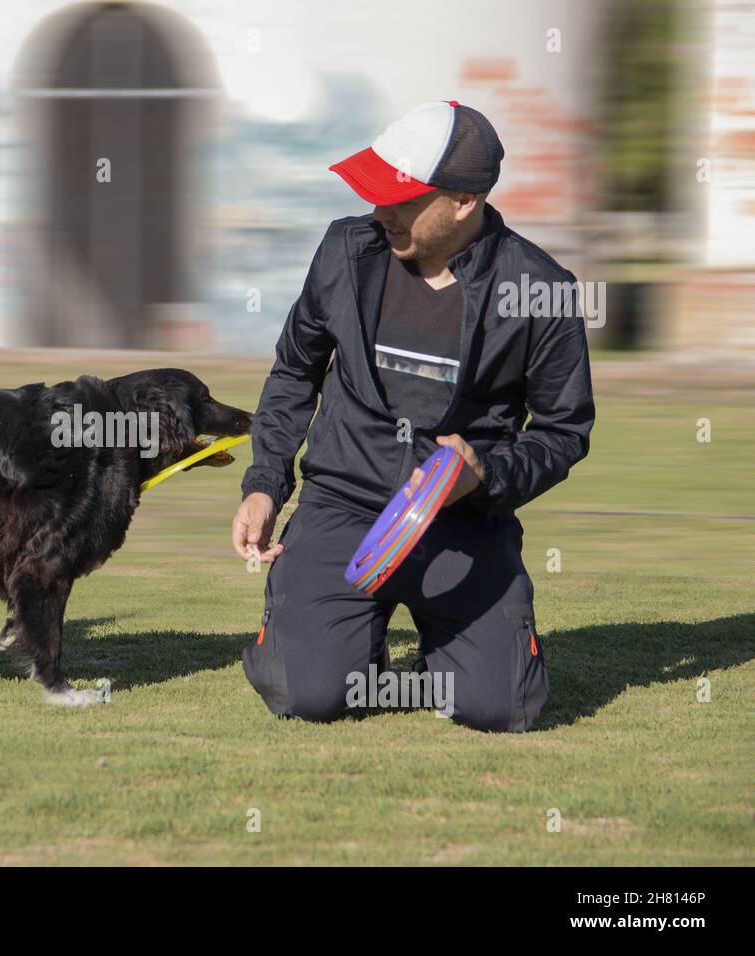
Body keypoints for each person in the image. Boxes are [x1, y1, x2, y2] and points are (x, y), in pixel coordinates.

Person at [232, 101, 594, 732]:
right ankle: (338, 637)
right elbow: (295, 370)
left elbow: (564, 432)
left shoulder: (543, 289)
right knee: (310, 695)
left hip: (463, 521)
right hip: (341, 506)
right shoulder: (344, 253)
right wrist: (265, 485)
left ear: (463, 201)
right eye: (374, 194)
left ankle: (451, 654)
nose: (381, 212)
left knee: (501, 708)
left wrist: (487, 474)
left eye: (400, 199)